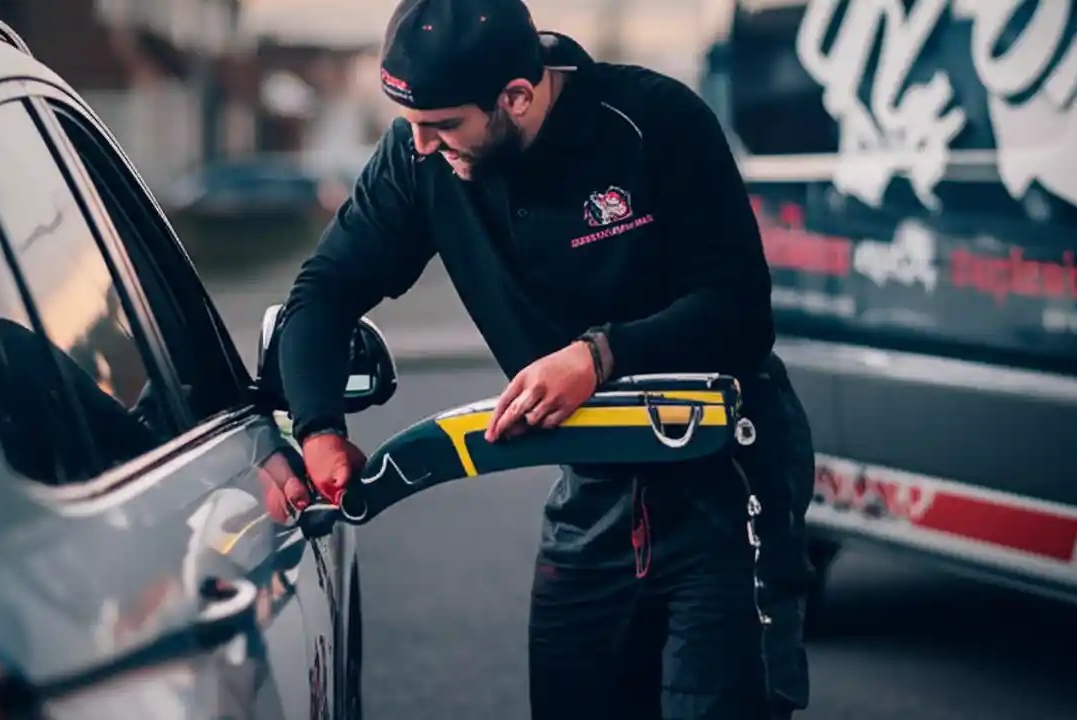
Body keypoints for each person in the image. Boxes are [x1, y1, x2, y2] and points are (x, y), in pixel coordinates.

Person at [274, 0, 816, 717]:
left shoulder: (654, 120)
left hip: (723, 482)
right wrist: (317, 428)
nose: (423, 144)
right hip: (592, 496)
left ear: (517, 97)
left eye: (443, 125)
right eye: (409, 122)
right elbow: (322, 293)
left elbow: (740, 308)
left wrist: (600, 356)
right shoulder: (419, 156)